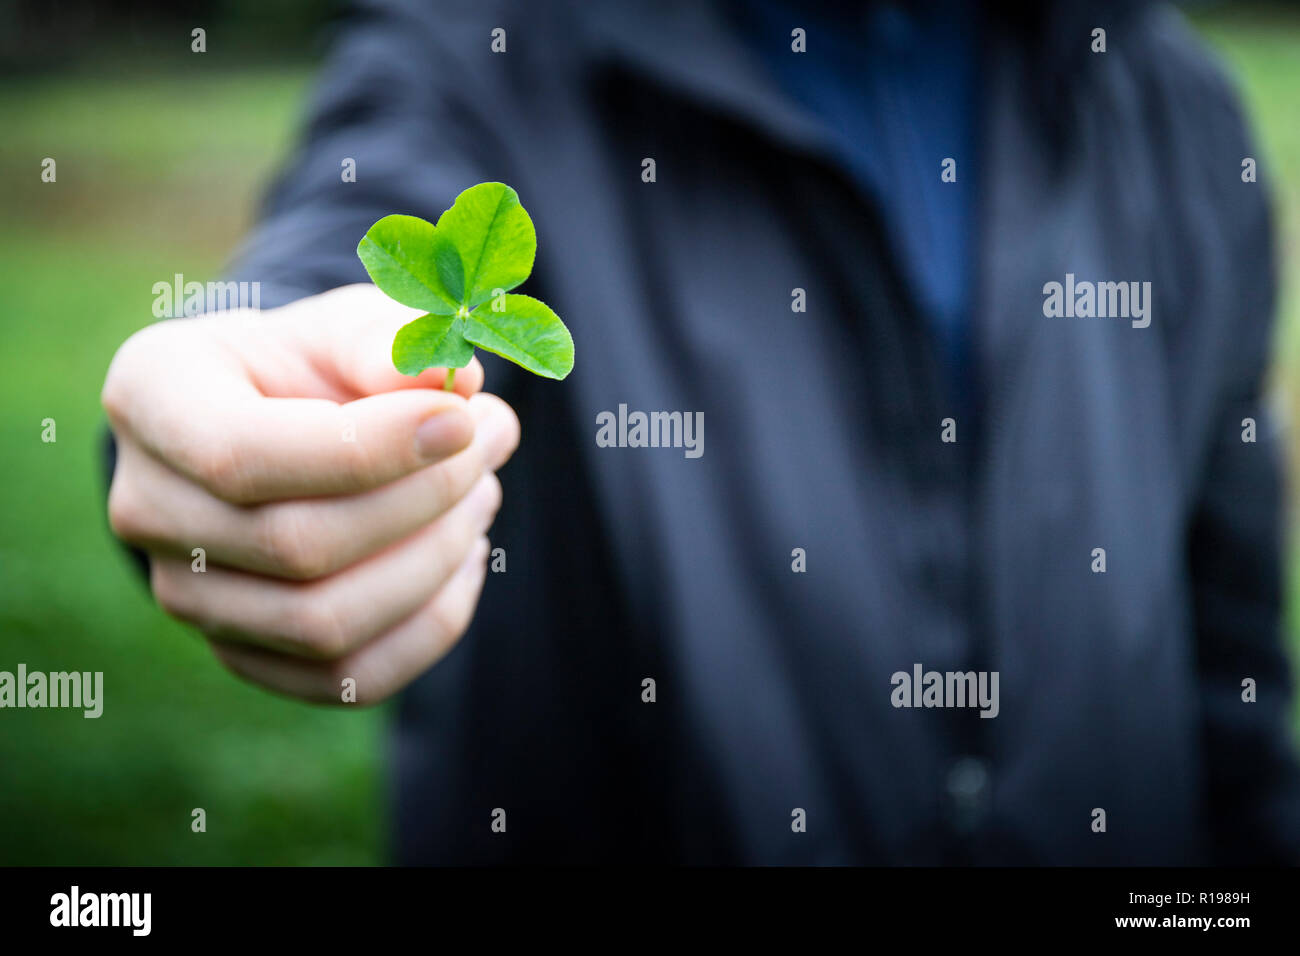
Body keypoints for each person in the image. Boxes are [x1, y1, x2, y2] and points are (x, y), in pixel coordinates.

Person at [101, 0, 1300, 864]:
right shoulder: (480, 48)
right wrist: (237, 420)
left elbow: (1231, 674)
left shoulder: (1174, 109)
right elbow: (335, 245)